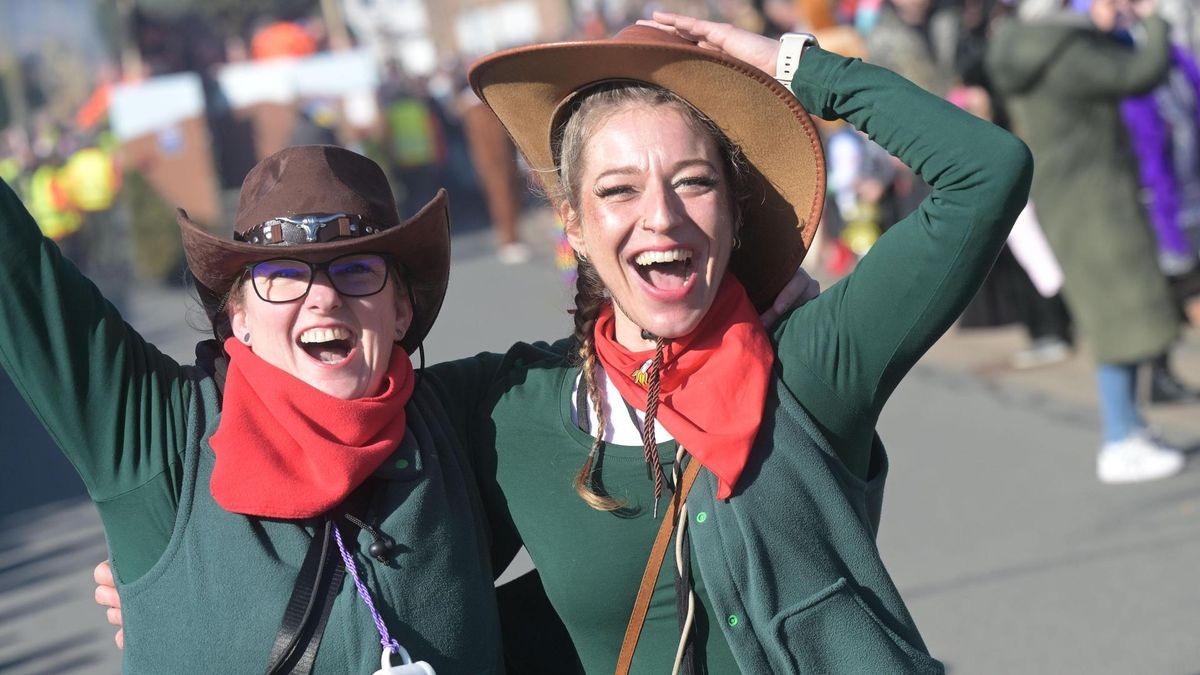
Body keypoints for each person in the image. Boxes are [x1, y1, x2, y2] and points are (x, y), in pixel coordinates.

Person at [96, 11, 1031, 672]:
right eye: (619, 190)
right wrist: (186, 569)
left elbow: (986, 171)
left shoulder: (814, 367)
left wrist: (794, 66)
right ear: (574, 225)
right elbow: (339, 460)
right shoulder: (506, 410)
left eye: (695, 182)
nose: (661, 217)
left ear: (734, 214)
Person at [0, 144, 541, 672]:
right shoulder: (156, 437)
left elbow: (615, 373)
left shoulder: (471, 418)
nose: (323, 297)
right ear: (239, 316)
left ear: (401, 310)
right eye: (283, 274)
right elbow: (14, 268)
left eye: (355, 270)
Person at [986, 0, 1191, 483]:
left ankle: (1133, 429)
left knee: (1120, 313)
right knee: (1115, 318)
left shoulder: (1035, 44)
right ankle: (1119, 440)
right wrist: (1159, 18)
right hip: (1093, 201)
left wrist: (1114, 27)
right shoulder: (1064, 51)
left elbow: (1119, 61)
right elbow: (1138, 73)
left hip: (1077, 197)